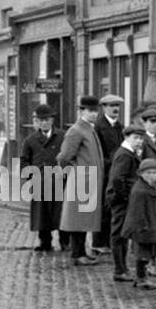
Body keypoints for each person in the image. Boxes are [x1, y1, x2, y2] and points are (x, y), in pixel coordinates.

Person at [56, 95, 105, 266]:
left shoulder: (89, 129)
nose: (93, 114)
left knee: (85, 218)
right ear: (81, 111)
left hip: (90, 180)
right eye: (90, 111)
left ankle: (82, 251)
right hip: (81, 180)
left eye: (95, 111)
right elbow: (64, 156)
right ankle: (77, 254)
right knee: (78, 218)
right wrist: (76, 171)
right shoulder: (76, 130)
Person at [20, 104, 64, 252]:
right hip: (40, 181)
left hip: (59, 180)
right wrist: (31, 176)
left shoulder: (62, 136)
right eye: (41, 120)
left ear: (52, 120)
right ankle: (45, 241)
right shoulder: (30, 140)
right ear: (37, 122)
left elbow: (69, 156)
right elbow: (24, 160)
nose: (44, 122)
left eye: (47, 119)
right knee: (42, 213)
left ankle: (65, 241)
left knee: (61, 211)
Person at [105, 124, 144, 281]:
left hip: (122, 198)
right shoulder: (125, 155)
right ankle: (119, 270)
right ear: (127, 137)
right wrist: (126, 197)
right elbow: (117, 179)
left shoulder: (129, 153)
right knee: (118, 235)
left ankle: (122, 268)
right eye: (136, 138)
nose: (139, 141)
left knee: (122, 234)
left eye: (141, 138)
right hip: (120, 200)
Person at [122, 159, 156, 290]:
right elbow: (137, 211)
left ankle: (141, 277)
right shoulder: (141, 190)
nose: (152, 175)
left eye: (155, 172)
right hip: (142, 227)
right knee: (142, 254)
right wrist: (143, 227)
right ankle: (141, 279)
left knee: (145, 253)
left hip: (148, 224)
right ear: (141, 174)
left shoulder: (148, 186)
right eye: (149, 173)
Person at [93, 94, 125, 253]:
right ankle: (99, 243)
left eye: (117, 106)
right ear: (104, 107)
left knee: (113, 207)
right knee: (103, 208)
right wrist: (109, 163)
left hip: (117, 172)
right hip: (104, 172)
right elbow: (97, 152)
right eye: (111, 106)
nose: (115, 109)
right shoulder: (98, 126)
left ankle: (110, 241)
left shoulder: (119, 126)